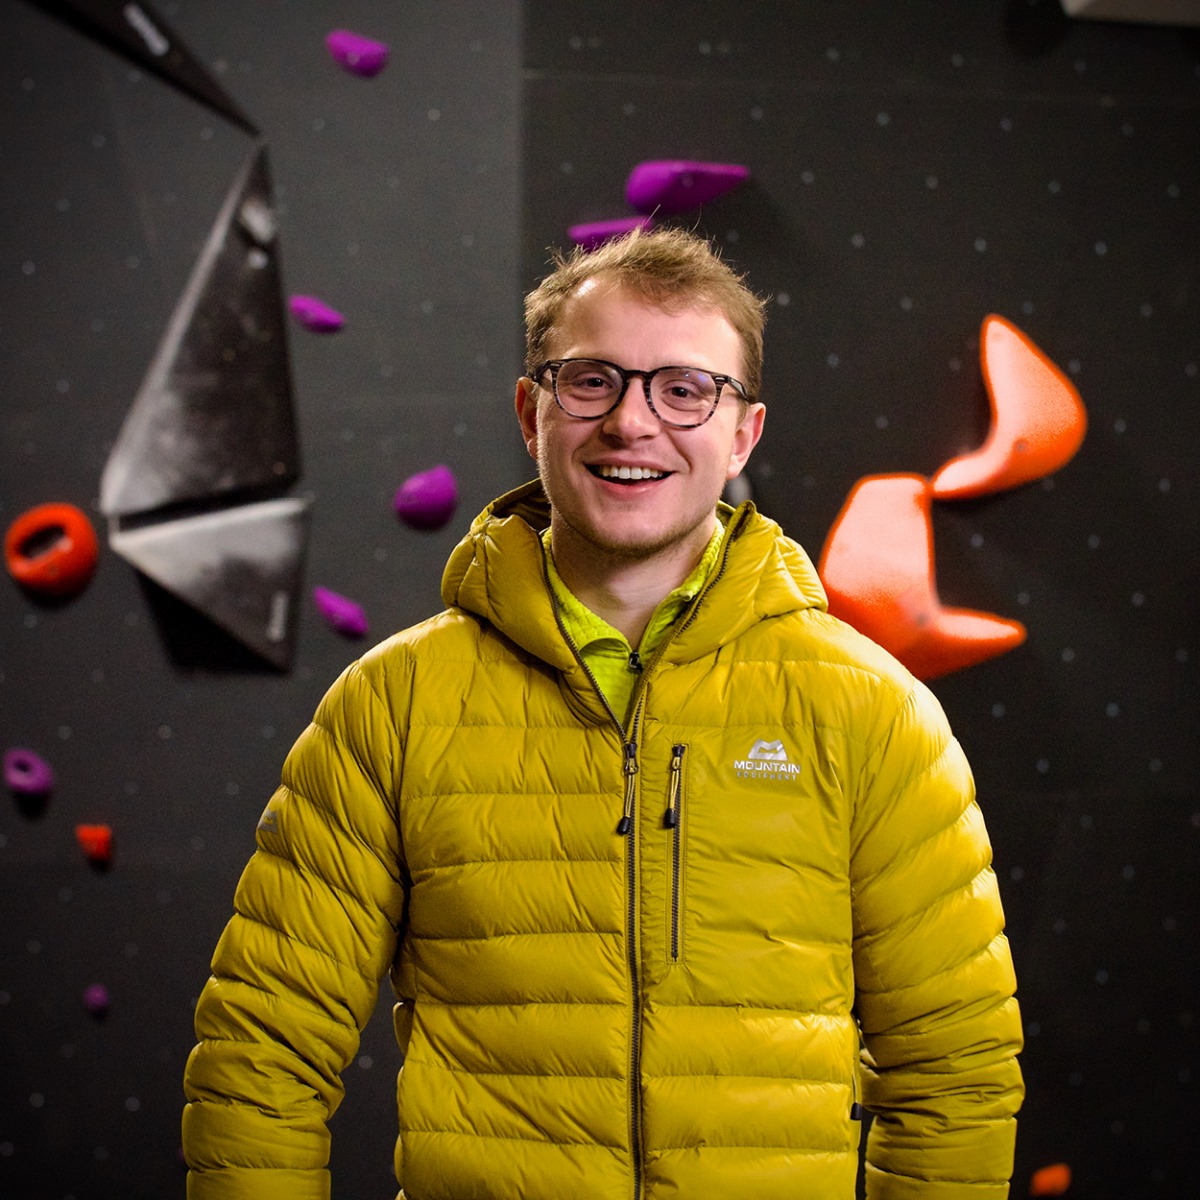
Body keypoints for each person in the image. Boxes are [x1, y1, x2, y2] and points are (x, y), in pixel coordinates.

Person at [183, 226, 1023, 1199]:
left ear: (743, 434)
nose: (632, 423)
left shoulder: (870, 711)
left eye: (685, 389)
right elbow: (262, 1053)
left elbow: (953, 1077)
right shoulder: (394, 705)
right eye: (591, 381)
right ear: (530, 412)